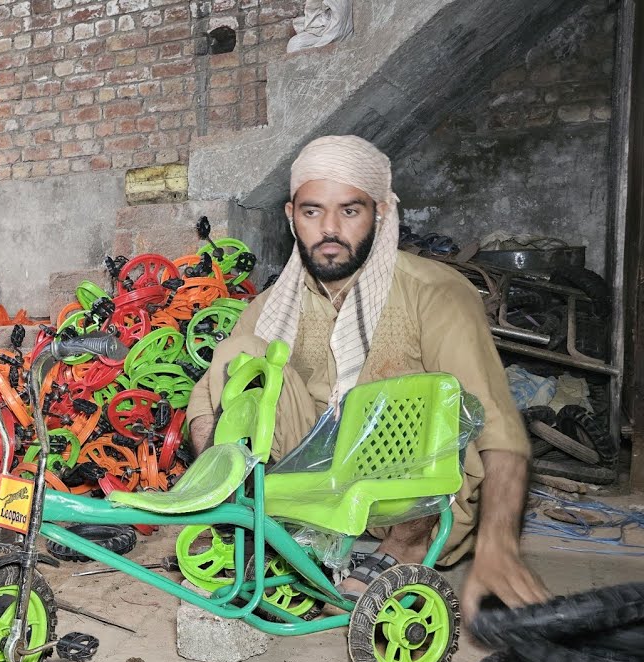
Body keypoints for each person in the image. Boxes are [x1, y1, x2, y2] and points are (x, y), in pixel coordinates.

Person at [186, 135, 548, 622]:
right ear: (292, 216)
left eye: (350, 211)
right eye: (312, 212)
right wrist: (221, 493)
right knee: (239, 358)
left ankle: (404, 550)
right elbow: (208, 403)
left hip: (410, 495)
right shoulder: (275, 306)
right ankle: (249, 524)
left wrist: (499, 543)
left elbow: (499, 426)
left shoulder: (434, 292)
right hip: (313, 490)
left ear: (380, 212)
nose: (329, 230)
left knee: (422, 399)